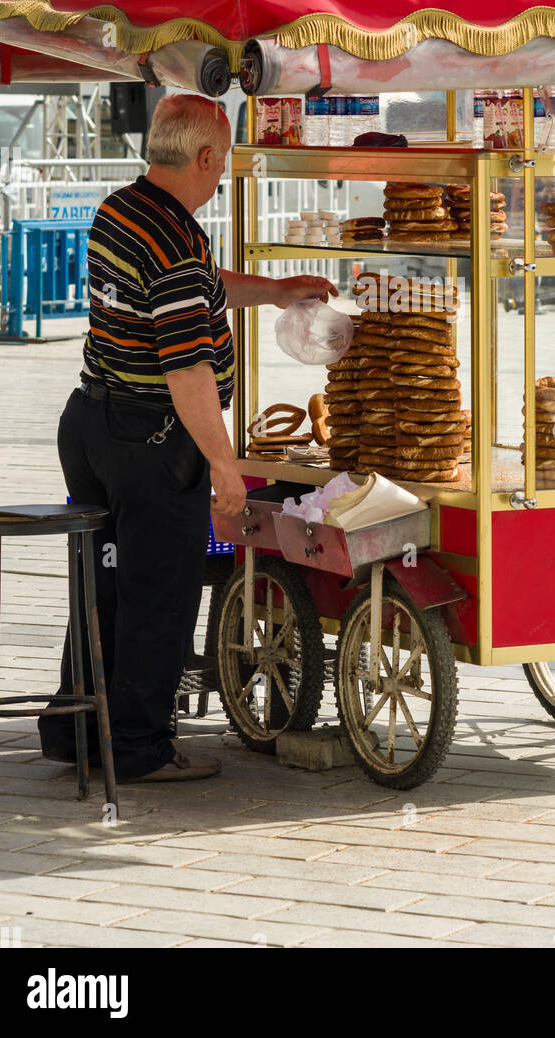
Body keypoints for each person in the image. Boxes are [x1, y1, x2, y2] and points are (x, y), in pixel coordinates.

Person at [38, 94, 335, 782]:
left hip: (91, 423)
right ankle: (139, 747)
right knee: (158, 588)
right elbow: (187, 368)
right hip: (149, 437)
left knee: (105, 584)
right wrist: (223, 466)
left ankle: (77, 730)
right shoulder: (173, 238)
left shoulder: (126, 208)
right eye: (223, 161)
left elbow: (198, 288)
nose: (222, 172)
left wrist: (275, 290)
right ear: (204, 157)